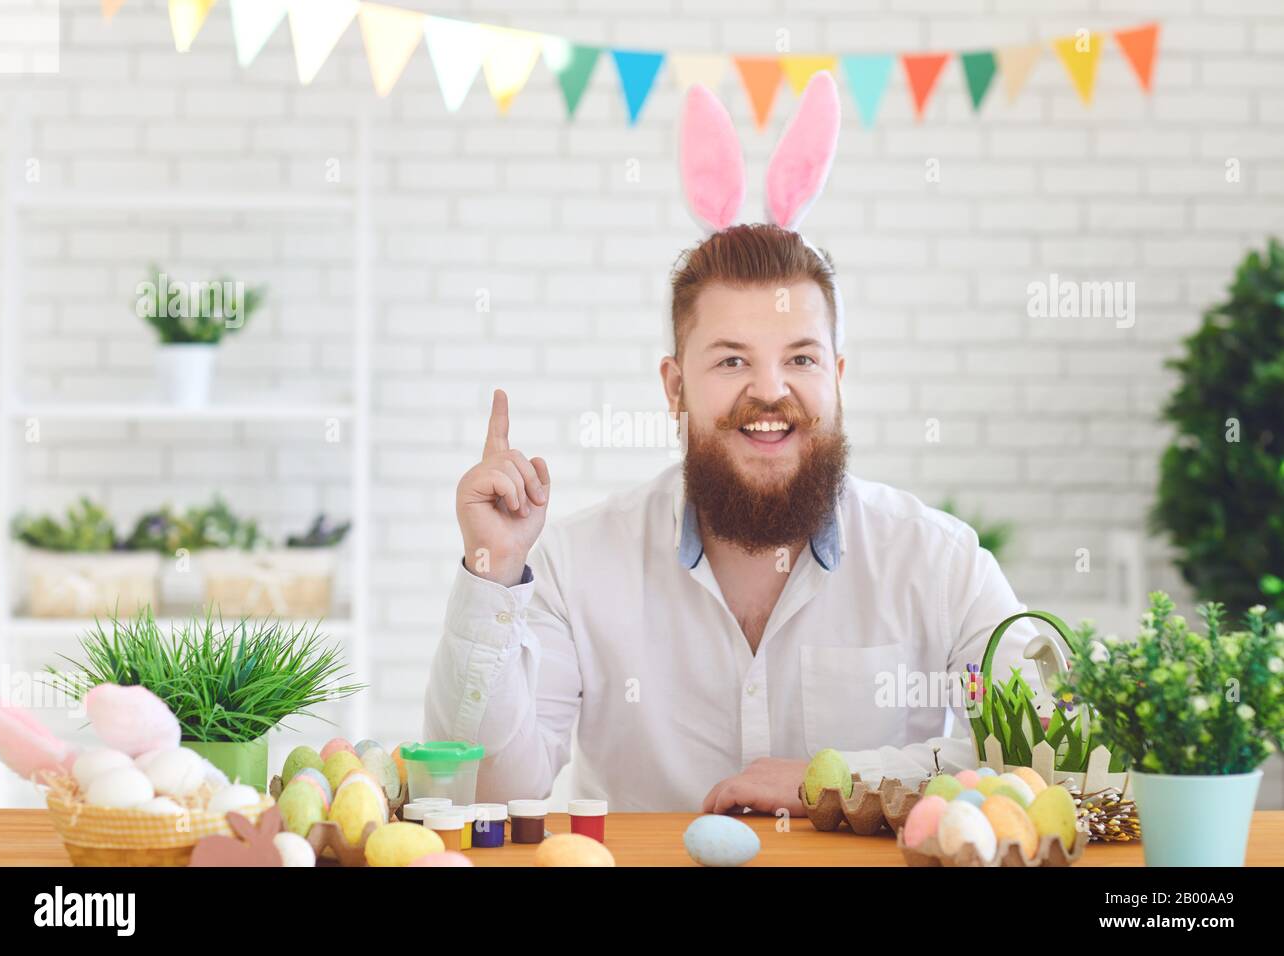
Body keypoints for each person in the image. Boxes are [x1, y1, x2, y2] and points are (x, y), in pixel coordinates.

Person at [424, 73, 1040, 814]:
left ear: (838, 379)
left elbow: (1037, 749)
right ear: (674, 387)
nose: (771, 392)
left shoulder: (938, 564)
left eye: (801, 359)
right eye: (731, 360)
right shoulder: (577, 566)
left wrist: (838, 779)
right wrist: (492, 573)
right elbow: (488, 786)